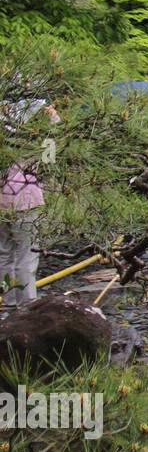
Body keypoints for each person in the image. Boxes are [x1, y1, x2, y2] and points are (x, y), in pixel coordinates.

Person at [0, 100, 58, 307]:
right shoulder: (30, 137)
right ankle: (28, 303)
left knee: (4, 253)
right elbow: (49, 157)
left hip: (1, 201)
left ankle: (7, 302)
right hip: (26, 199)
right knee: (27, 254)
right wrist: (53, 119)